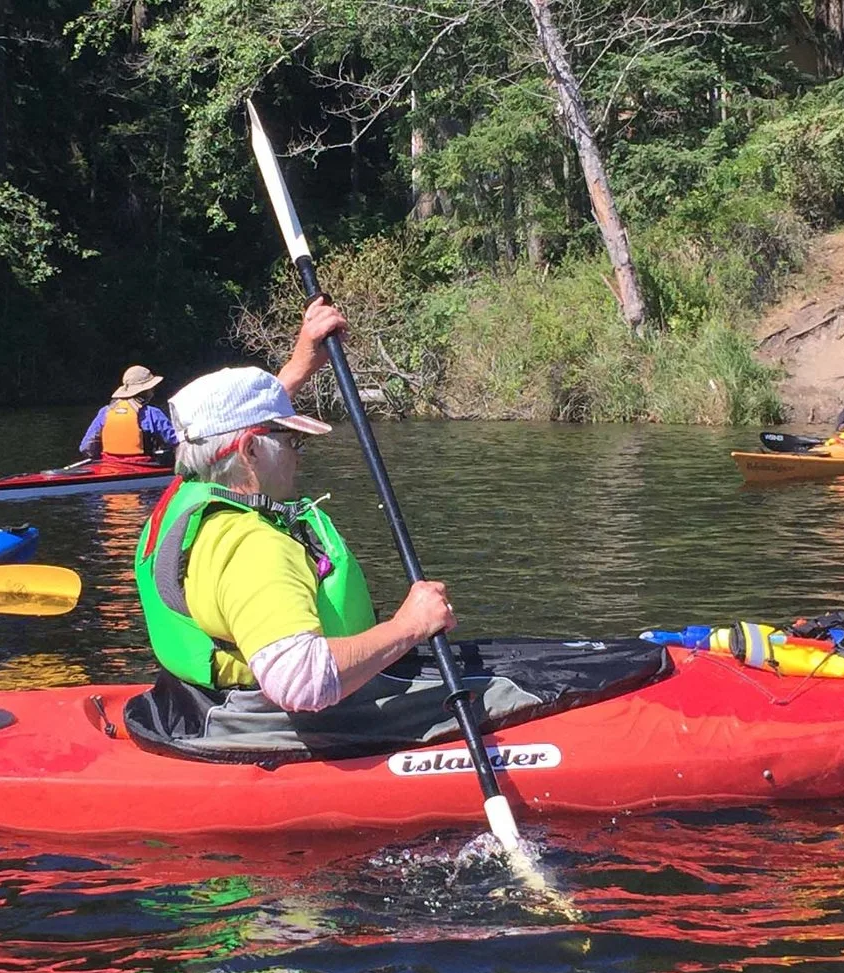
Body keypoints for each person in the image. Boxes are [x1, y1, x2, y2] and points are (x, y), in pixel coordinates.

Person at [126, 301, 541, 754]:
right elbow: (301, 684)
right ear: (248, 451)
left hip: (199, 707)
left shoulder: (183, 495)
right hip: (274, 722)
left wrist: (301, 363)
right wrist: (409, 625)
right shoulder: (255, 548)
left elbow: (222, 429)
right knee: (508, 692)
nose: (299, 453)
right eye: (290, 439)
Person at [77, 365, 179, 461]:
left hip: (109, 466)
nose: (153, 391)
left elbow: (86, 447)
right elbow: (175, 441)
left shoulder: (105, 412)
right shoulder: (153, 413)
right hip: (145, 467)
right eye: (152, 388)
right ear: (145, 391)